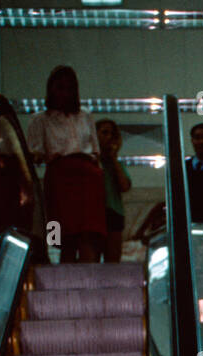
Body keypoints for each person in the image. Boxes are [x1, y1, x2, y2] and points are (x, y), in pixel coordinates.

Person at [25, 66, 105, 262]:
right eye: (60, 87)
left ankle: (90, 281)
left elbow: (95, 150)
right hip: (60, 177)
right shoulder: (40, 119)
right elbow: (34, 152)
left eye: (70, 88)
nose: (65, 92)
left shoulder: (85, 115)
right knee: (62, 236)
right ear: (50, 89)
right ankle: (63, 281)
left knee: (89, 233)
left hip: (89, 177)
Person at [95, 118, 132, 263]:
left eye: (112, 134)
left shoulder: (117, 164)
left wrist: (114, 158)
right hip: (94, 214)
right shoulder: (90, 161)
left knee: (113, 260)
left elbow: (124, 186)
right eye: (104, 133)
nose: (108, 137)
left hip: (114, 213)